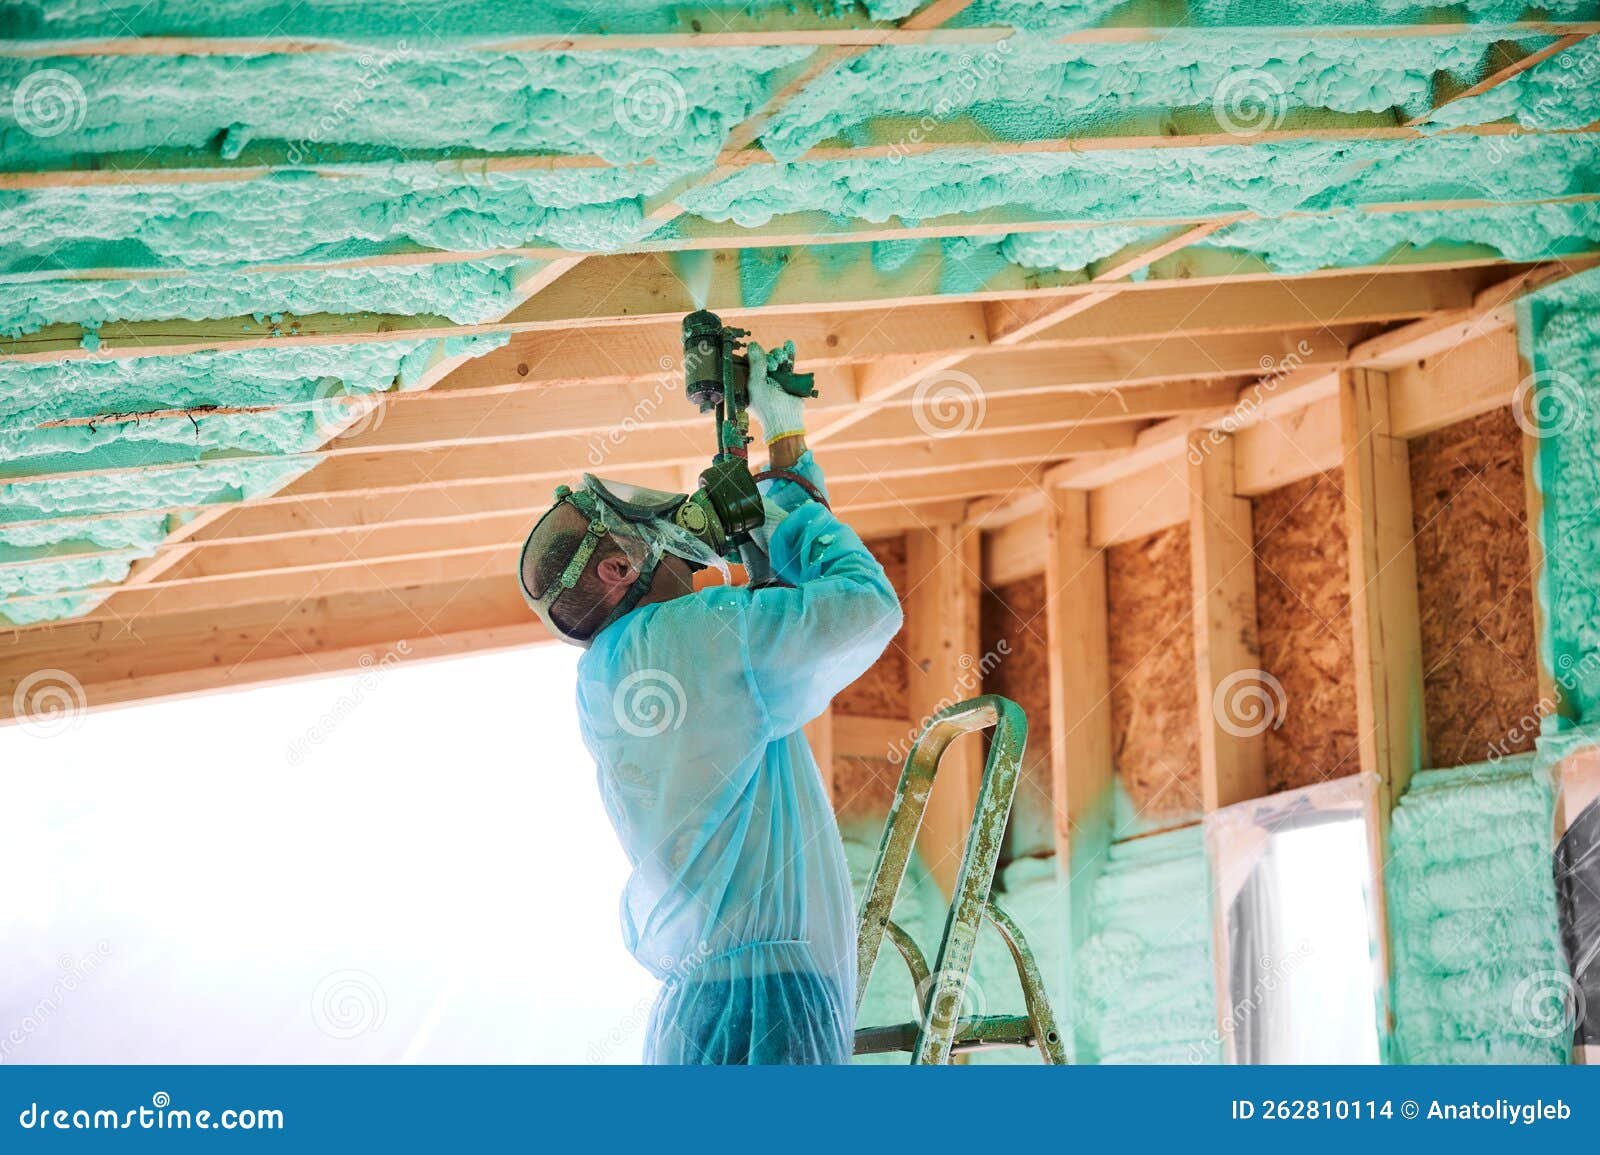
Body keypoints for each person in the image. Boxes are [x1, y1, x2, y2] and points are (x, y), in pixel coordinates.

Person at [517, 351, 902, 1064]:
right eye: (628, 524)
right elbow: (863, 608)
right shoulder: (694, 636)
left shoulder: (609, 673)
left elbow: (772, 629)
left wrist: (785, 443)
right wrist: (786, 508)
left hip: (697, 1012)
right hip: (776, 1003)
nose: (658, 517)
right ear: (614, 568)